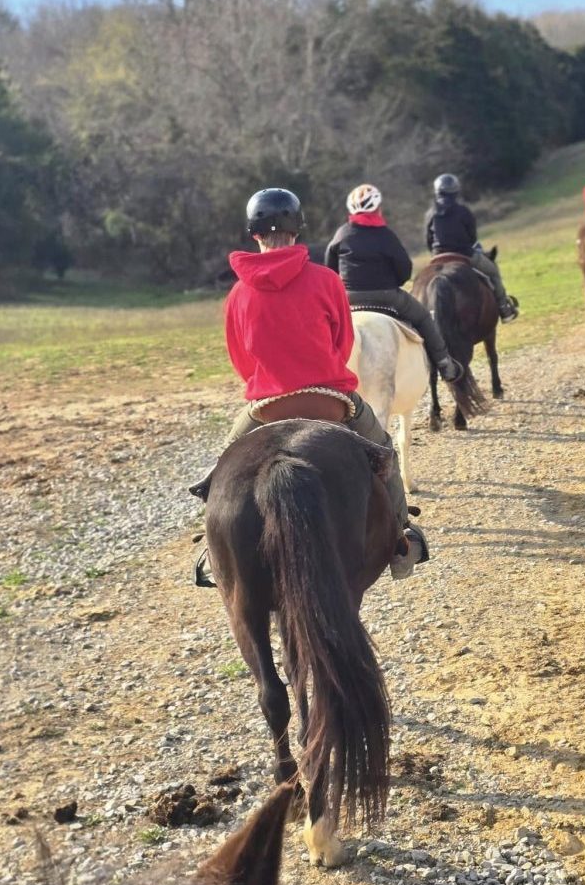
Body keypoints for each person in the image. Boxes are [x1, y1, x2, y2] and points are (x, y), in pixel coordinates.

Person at [192, 188, 428, 582]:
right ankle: (401, 541)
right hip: (331, 402)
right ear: (298, 230)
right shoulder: (327, 280)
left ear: (254, 234)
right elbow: (343, 345)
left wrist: (270, 382)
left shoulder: (236, 295)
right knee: (384, 451)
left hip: (266, 407)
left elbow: (241, 361)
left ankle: (213, 553)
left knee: (221, 473)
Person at [325, 183, 463, 382]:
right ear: (378, 208)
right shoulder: (386, 235)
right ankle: (444, 364)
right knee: (424, 317)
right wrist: (394, 283)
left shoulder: (342, 233)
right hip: (387, 296)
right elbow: (404, 268)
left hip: (349, 298)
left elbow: (330, 270)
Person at [424, 173, 519, 322]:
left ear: (437, 192)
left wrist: (436, 252)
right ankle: (504, 309)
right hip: (464, 254)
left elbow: (428, 240)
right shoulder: (463, 211)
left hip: (438, 257)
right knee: (493, 272)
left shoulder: (430, 214)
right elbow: (472, 237)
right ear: (456, 191)